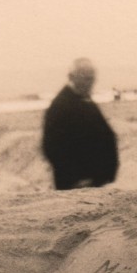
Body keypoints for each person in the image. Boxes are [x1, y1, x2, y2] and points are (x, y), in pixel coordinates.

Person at [42, 58, 118, 190]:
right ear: (72, 77)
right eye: (86, 78)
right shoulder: (60, 106)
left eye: (92, 78)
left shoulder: (84, 100)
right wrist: (77, 179)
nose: (90, 83)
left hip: (94, 182)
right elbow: (52, 147)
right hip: (77, 185)